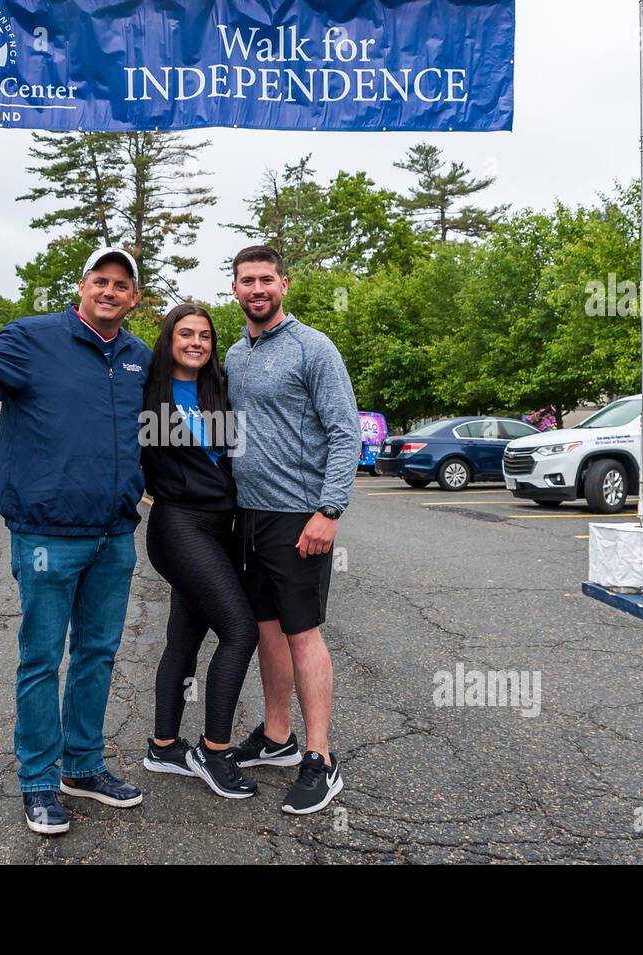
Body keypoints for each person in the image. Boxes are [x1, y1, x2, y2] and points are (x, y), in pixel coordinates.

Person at [0, 247, 151, 836]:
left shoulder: (139, 358)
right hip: (47, 532)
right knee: (42, 659)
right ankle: (40, 782)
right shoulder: (32, 338)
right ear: (82, 286)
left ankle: (84, 767)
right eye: (101, 281)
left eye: (122, 285)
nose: (110, 291)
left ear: (135, 299)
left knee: (97, 655)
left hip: (114, 535)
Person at [225, 245, 361, 815]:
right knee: (267, 629)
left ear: (285, 284)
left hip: (299, 517)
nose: (257, 289)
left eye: (266, 279)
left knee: (303, 631)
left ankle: (320, 758)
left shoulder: (313, 348)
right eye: (246, 280)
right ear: (234, 289)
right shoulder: (233, 354)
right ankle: (277, 736)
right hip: (248, 517)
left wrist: (329, 511)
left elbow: (346, 432)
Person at [140, 304, 260, 799]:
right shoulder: (149, 392)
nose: (196, 342)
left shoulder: (220, 391)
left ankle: (164, 747)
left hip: (223, 527)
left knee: (184, 639)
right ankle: (215, 752)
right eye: (185, 333)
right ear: (169, 339)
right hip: (178, 525)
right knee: (240, 630)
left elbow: (233, 460)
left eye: (205, 336)